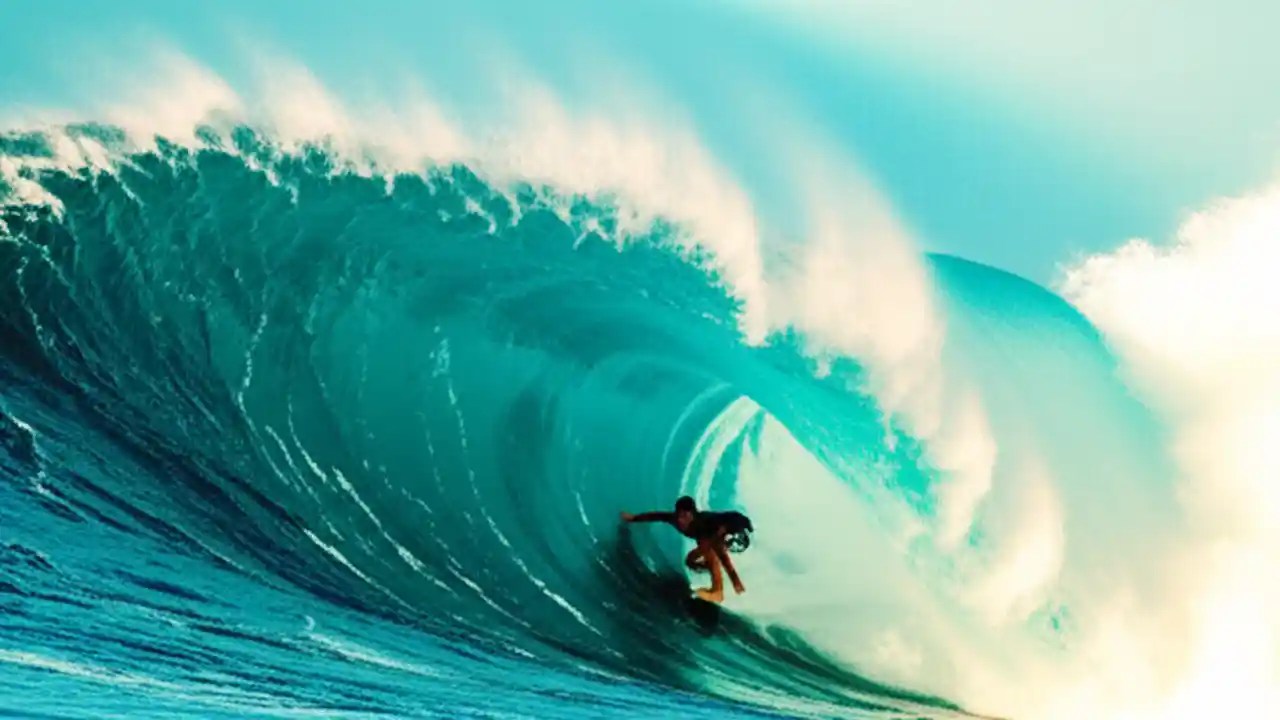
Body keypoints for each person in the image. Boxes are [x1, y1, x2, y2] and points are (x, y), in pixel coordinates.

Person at [620, 496, 753, 603]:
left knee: (709, 549)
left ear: (692, 516)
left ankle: (718, 591)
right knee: (690, 561)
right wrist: (633, 518)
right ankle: (712, 571)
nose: (680, 520)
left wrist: (735, 581)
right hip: (727, 525)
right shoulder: (675, 519)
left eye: (684, 516)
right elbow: (656, 516)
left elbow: (723, 556)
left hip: (739, 532)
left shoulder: (703, 527)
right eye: (678, 515)